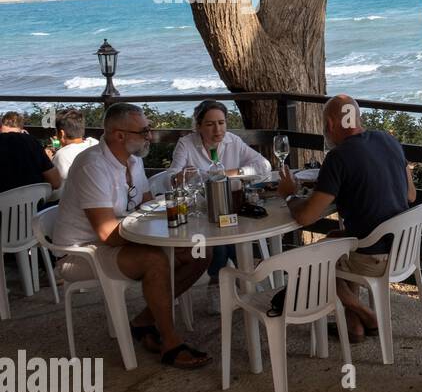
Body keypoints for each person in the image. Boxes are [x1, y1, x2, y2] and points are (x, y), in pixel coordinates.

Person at [52, 102, 211, 368]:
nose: (150, 136)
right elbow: (107, 234)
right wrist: (160, 237)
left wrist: (181, 225)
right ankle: (171, 344)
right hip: (79, 252)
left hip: (118, 241)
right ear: (119, 135)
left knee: (200, 252)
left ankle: (143, 321)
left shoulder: (134, 161)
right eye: (144, 131)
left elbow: (149, 207)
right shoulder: (92, 166)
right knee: (154, 260)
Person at [275, 94, 415, 343]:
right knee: (332, 240)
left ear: (329, 124)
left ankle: (367, 315)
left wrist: (289, 196)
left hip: (372, 257)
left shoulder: (338, 158)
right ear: (358, 118)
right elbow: (411, 195)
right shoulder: (388, 140)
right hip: (403, 249)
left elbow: (306, 217)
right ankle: (355, 329)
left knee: (311, 262)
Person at [171, 100, 273, 307]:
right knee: (221, 238)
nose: (217, 129)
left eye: (221, 123)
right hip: (201, 210)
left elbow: (264, 166)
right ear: (198, 126)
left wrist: (229, 173)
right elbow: (173, 176)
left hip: (230, 206)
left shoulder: (232, 141)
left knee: (230, 232)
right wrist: (200, 176)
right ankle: (243, 279)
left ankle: (222, 281)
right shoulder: (187, 144)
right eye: (210, 124)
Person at [0, 111, 60, 195]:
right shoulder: (31, 142)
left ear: (1, 127)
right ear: (22, 129)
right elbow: (56, 183)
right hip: (32, 204)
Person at [48, 108, 99, 199]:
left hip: (64, 203)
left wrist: (48, 160)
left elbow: (54, 187)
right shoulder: (94, 143)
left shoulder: (62, 155)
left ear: (62, 134)